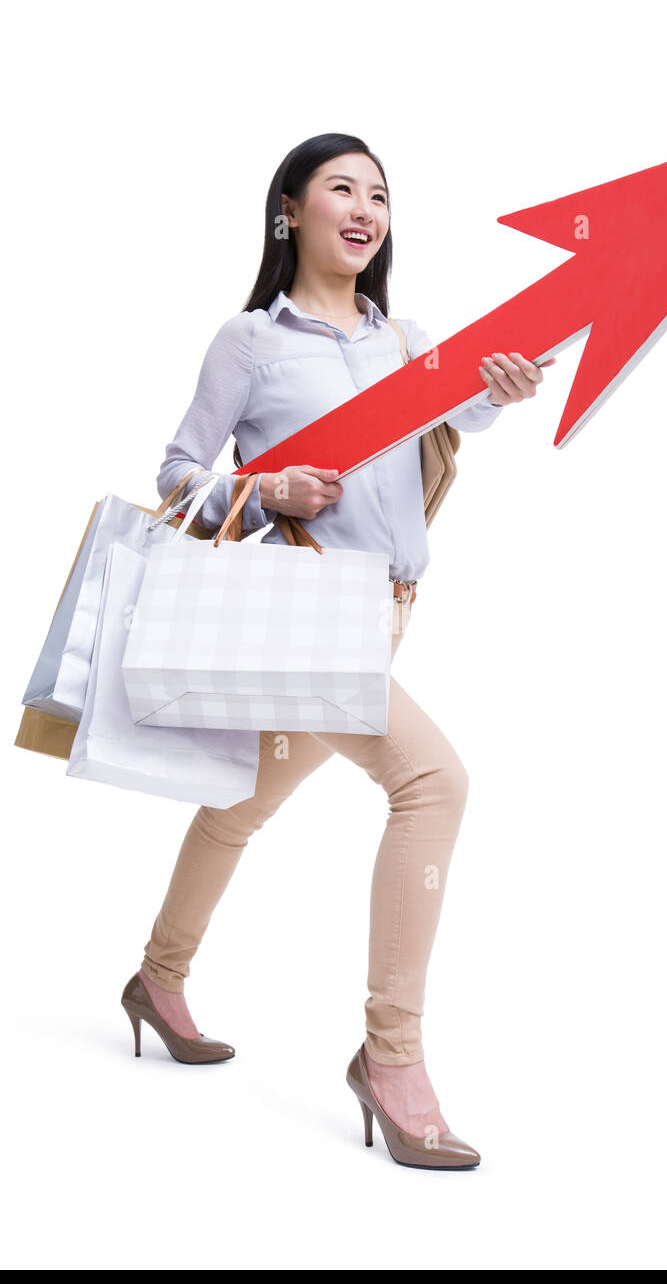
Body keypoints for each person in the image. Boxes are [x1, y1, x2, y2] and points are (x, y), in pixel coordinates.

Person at [120, 133, 554, 1170]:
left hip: (390, 609)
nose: (365, 209)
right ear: (289, 211)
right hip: (304, 612)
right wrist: (262, 487)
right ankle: (391, 1056)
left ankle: (156, 978)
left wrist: (502, 387)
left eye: (380, 196)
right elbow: (177, 473)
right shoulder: (250, 341)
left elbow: (467, 408)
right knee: (432, 782)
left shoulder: (404, 339)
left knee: (242, 802)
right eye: (341, 189)